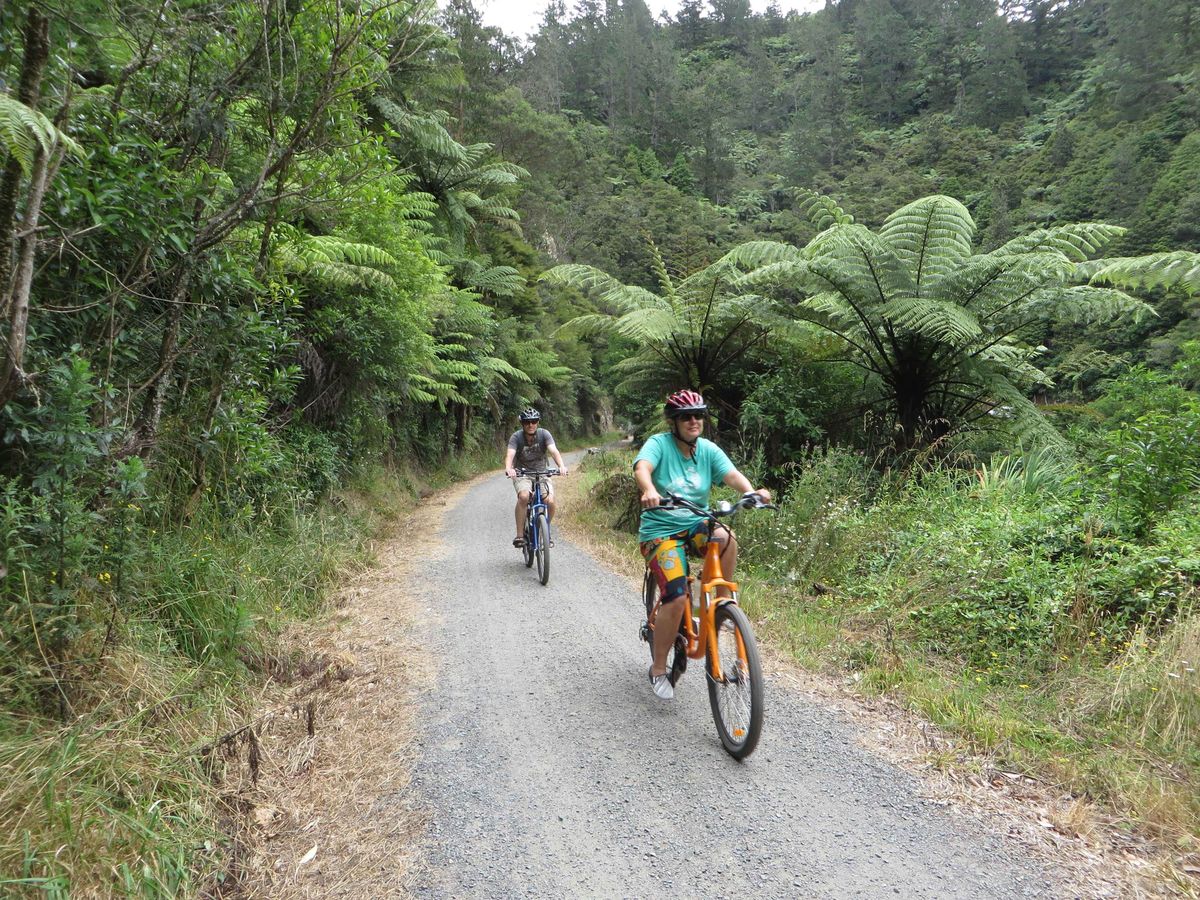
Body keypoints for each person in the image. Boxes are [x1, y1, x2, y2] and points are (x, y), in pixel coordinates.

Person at [633, 390, 771, 700]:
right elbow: (642, 467)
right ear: (675, 422)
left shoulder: (707, 449)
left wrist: (751, 492)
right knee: (677, 597)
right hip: (661, 531)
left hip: (695, 523)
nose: (693, 421)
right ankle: (658, 668)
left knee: (725, 537)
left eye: (698, 416)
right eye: (686, 416)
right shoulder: (659, 444)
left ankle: (720, 607)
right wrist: (649, 490)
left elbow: (731, 474)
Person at [504, 408, 568, 548]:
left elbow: (553, 450)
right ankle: (520, 535)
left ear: (538, 422)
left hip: (542, 473)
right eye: (527, 422)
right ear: (522, 423)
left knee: (549, 501)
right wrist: (509, 469)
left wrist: (562, 466)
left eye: (534, 421)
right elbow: (510, 454)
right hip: (523, 474)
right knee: (524, 497)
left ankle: (545, 530)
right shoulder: (517, 437)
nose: (531, 425)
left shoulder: (544, 434)